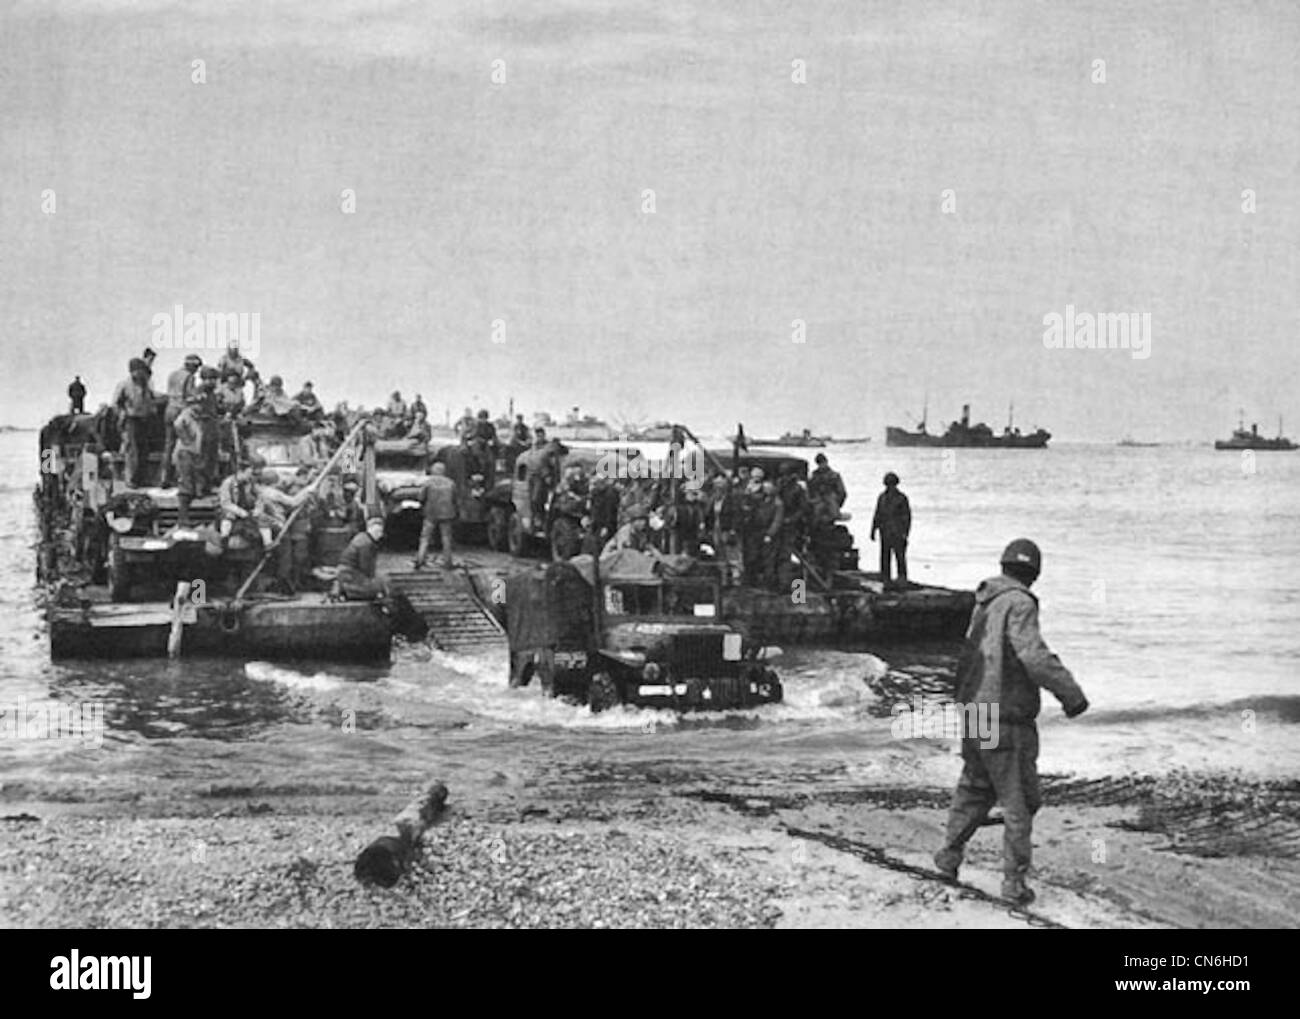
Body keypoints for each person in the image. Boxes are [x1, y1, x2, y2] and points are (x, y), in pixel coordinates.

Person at [933, 539, 1089, 906]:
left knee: (975, 788)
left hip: (973, 711)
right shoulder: (1020, 603)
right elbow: (1033, 655)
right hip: (1003, 716)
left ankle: (948, 856)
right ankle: (1014, 884)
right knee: (1020, 799)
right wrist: (1072, 695)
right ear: (1034, 573)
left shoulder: (984, 601)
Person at [112, 358, 156, 487]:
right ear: (133, 371)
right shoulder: (124, 385)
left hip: (144, 419)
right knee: (132, 450)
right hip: (131, 420)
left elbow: (150, 399)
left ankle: (141, 478)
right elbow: (116, 404)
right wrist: (123, 414)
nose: (141, 374)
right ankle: (130, 479)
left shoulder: (145, 385)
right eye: (139, 371)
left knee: (144, 450)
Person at [414, 463, 458, 569]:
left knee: (425, 538)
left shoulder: (428, 483)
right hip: (447, 514)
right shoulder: (451, 483)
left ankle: (420, 560)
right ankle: (448, 562)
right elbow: (455, 498)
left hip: (431, 513)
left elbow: (420, 497)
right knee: (446, 538)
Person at [871, 471, 911, 587]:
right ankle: (885, 579)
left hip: (897, 532)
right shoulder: (882, 497)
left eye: (892, 484)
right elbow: (877, 514)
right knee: (885, 557)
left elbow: (907, 517)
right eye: (888, 484)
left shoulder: (901, 498)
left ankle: (902, 579)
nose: (890, 487)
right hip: (885, 532)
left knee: (900, 557)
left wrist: (905, 533)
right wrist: (873, 530)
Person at [338, 517, 390, 600]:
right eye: (377, 531)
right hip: (351, 576)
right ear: (371, 530)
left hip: (346, 574)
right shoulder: (367, 544)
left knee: (382, 581)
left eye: (381, 532)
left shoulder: (362, 537)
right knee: (382, 584)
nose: (380, 535)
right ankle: (350, 592)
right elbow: (366, 568)